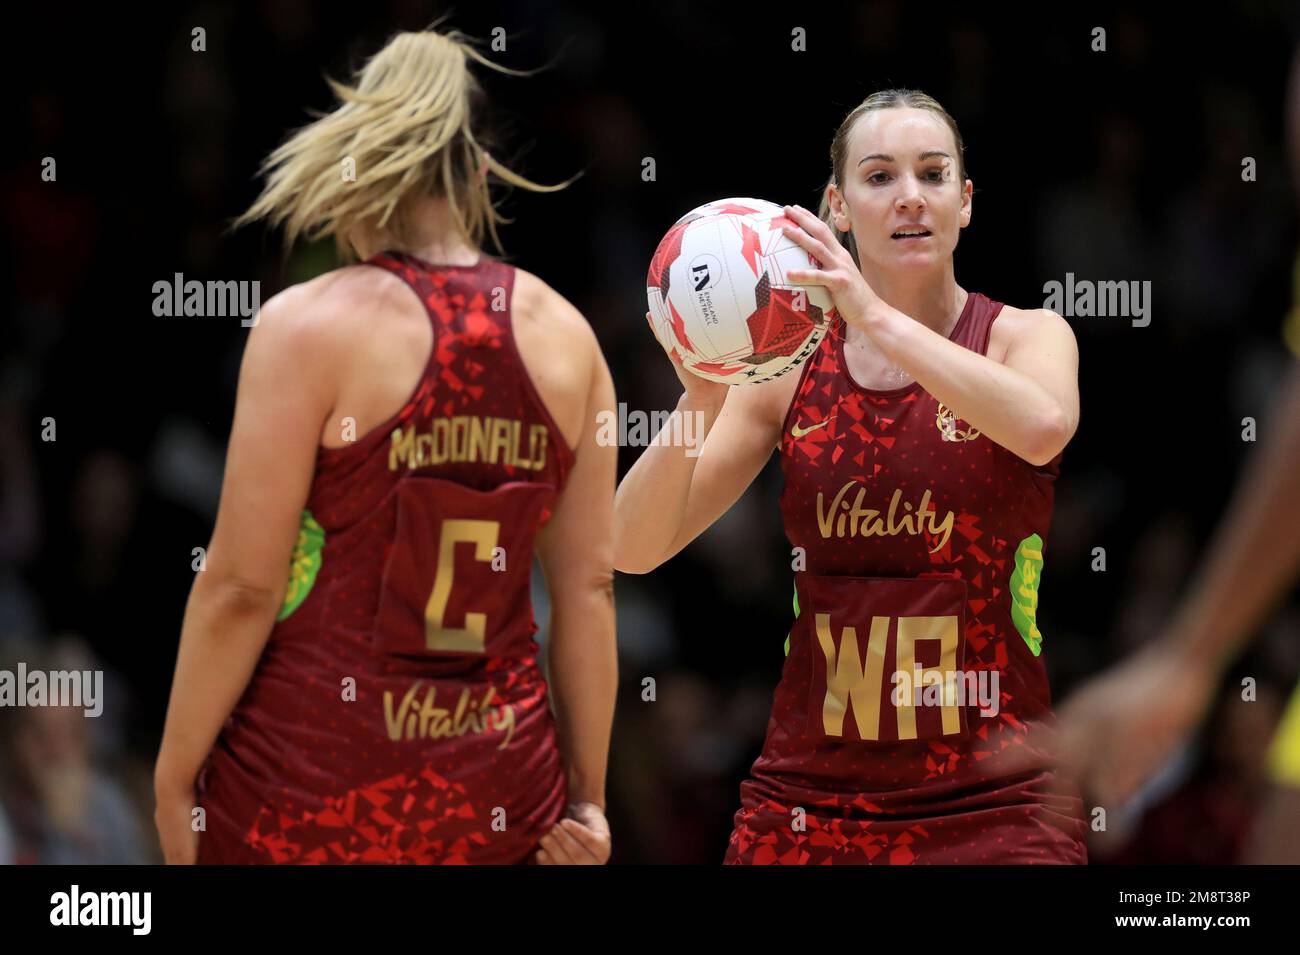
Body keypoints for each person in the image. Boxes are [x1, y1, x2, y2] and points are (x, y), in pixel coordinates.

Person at [153, 28, 617, 865]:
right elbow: (586, 592)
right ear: (480, 173)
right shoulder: (570, 340)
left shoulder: (309, 324)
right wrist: (588, 799)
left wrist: (173, 780)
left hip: (305, 790)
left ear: (353, 167)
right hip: (498, 800)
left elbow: (240, 586)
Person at [616, 89, 1086, 863]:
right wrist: (699, 395)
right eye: (879, 176)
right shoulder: (789, 369)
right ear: (835, 206)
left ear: (964, 203)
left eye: (934, 175)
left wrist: (871, 315)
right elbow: (630, 546)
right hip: (811, 799)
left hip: (996, 801)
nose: (910, 195)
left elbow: (1042, 426)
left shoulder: (1025, 337)